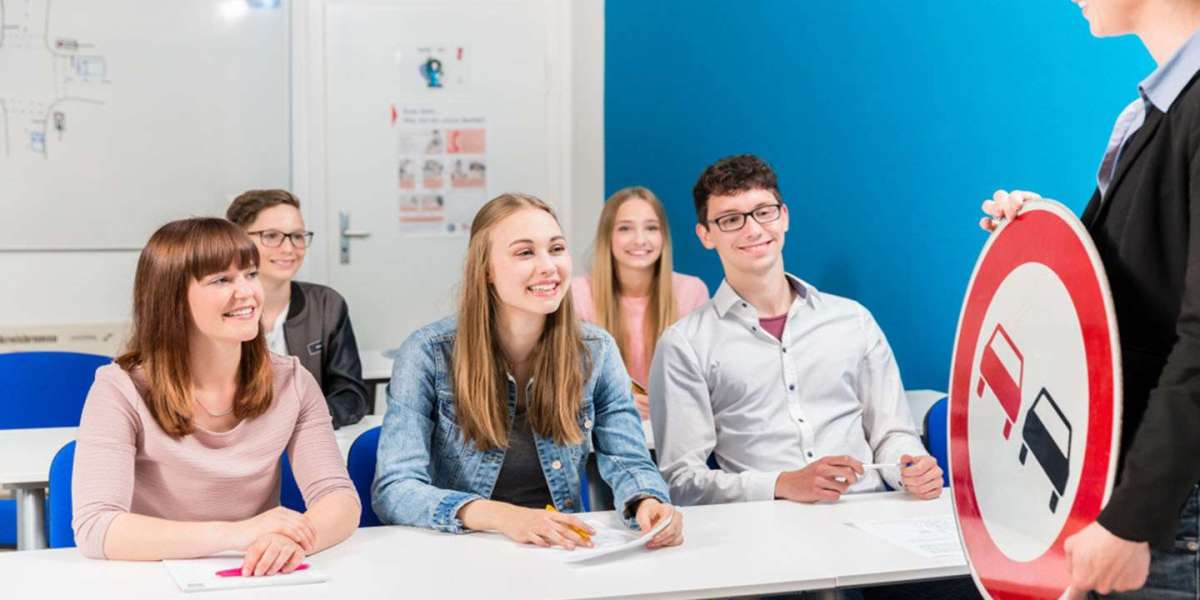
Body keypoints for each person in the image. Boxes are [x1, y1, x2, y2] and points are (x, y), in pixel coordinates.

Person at [982, 2, 1200, 596]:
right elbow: (1142, 286)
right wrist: (1049, 241)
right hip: (1130, 492)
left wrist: (1135, 517)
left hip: (1167, 508)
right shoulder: (1153, 110)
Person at [372, 193, 683, 550]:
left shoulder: (596, 351)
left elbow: (628, 459)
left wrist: (648, 501)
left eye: (556, 249)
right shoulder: (427, 352)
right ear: (486, 269)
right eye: (525, 253)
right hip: (460, 549)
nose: (548, 266)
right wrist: (507, 518)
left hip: (560, 548)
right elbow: (395, 488)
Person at [72, 218, 360, 576]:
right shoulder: (119, 389)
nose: (248, 292)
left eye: (250, 274)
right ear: (172, 298)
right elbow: (97, 527)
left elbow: (339, 498)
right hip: (150, 578)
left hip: (254, 578)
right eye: (222, 279)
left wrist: (293, 541)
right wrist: (235, 534)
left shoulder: (293, 382)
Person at [227, 190, 367, 428]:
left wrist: (299, 421)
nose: (289, 249)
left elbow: (351, 395)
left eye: (297, 236)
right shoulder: (218, 308)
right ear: (237, 241)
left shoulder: (327, 305)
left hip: (308, 435)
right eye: (271, 236)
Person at [571, 186, 709, 420]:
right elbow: (565, 382)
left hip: (673, 428)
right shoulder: (577, 294)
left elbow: (702, 381)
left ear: (663, 236)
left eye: (651, 228)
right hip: (601, 431)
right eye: (625, 228)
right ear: (607, 236)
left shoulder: (691, 291)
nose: (640, 240)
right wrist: (615, 400)